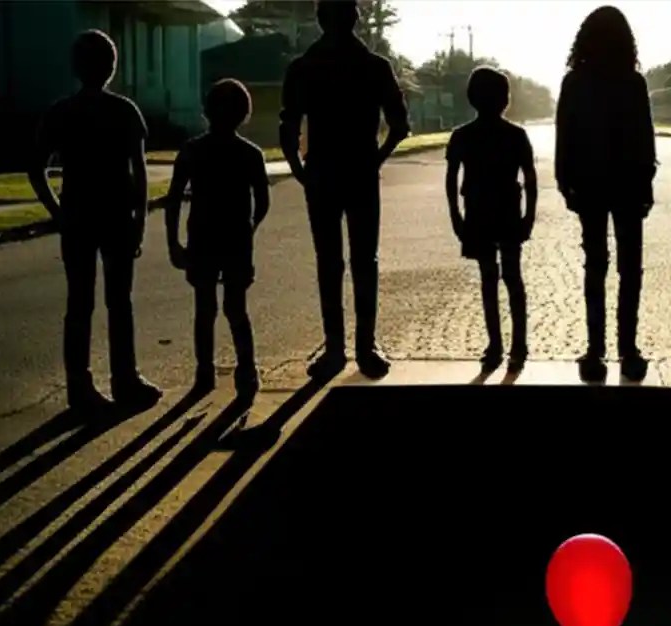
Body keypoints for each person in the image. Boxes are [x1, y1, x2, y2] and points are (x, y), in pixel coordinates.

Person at [28, 29, 162, 414]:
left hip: (78, 218)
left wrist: (58, 212)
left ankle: (80, 385)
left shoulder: (61, 113)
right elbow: (138, 172)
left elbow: (36, 169)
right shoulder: (124, 111)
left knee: (80, 302)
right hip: (117, 216)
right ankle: (125, 379)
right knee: (119, 302)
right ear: (112, 67)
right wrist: (141, 220)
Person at [279, 0, 410, 380]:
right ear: (356, 18)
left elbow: (289, 127)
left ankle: (335, 347)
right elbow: (400, 125)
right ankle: (365, 347)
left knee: (329, 262)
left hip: (322, 172)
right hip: (360, 172)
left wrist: (299, 170)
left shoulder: (304, 67)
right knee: (364, 260)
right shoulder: (374, 67)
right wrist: (377, 159)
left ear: (321, 19)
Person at [555, 5, 657, 383]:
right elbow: (645, 138)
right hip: (628, 182)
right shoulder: (633, 82)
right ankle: (628, 349)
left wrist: (564, 181)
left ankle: (595, 349)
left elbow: (564, 133)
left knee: (594, 265)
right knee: (630, 268)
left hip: (590, 181)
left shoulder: (575, 81)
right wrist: (647, 182)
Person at [165, 79, 271, 397]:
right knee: (236, 308)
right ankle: (246, 370)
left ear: (207, 111)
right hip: (237, 239)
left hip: (202, 237)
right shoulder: (250, 154)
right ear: (244, 114)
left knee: (205, 309)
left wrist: (173, 242)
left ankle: (205, 371)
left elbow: (173, 199)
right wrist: (250, 226)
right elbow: (263, 201)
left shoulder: (192, 151)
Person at [445, 67, 537, 373]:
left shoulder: (461, 136)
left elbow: (451, 179)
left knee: (489, 278)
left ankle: (495, 344)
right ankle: (518, 345)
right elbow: (531, 178)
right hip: (509, 212)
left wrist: (456, 217)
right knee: (513, 277)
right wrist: (529, 216)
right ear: (505, 99)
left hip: (478, 213)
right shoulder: (516, 135)